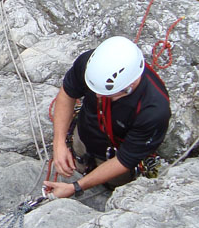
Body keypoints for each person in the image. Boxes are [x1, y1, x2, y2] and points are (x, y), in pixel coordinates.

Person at [43, 35, 170, 199]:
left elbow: (124, 160)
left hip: (115, 157)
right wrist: (59, 143)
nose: (96, 95)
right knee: (78, 155)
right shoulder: (92, 65)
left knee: (114, 184)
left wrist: (75, 187)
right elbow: (67, 94)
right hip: (84, 135)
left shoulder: (153, 110)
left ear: (128, 88)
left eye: (106, 93)